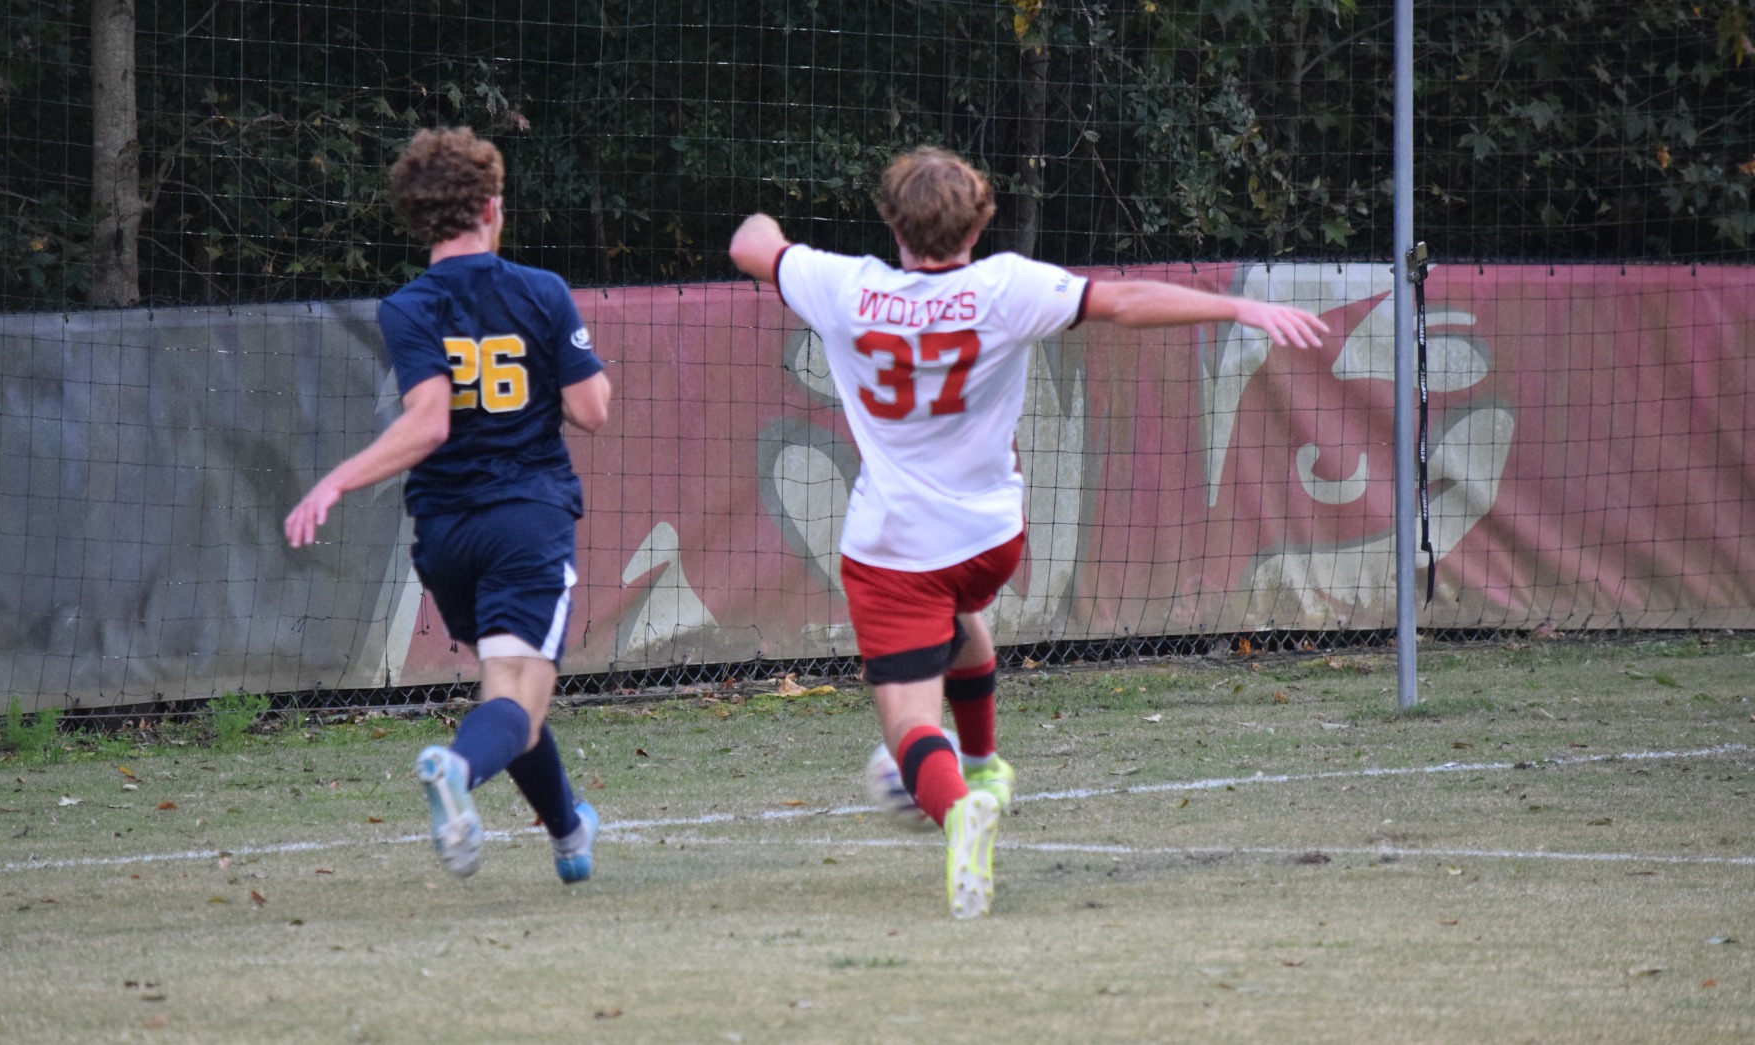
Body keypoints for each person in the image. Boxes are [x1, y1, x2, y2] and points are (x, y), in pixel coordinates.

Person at [728, 147, 1328, 917]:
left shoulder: (849, 286)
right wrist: (1238, 306)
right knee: (963, 622)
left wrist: (769, 225)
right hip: (989, 540)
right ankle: (982, 764)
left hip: (895, 550)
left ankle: (957, 808)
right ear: (979, 222)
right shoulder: (1005, 286)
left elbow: (752, 245)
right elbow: (1122, 301)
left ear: (890, 220)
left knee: (908, 725)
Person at [285, 126, 613, 885]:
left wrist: (335, 480)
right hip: (526, 518)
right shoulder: (540, 290)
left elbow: (427, 418)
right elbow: (590, 409)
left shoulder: (407, 306)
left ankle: (569, 832)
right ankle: (455, 767)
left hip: (446, 533)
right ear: (493, 207)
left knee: (511, 689)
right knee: (516, 700)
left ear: (422, 219)